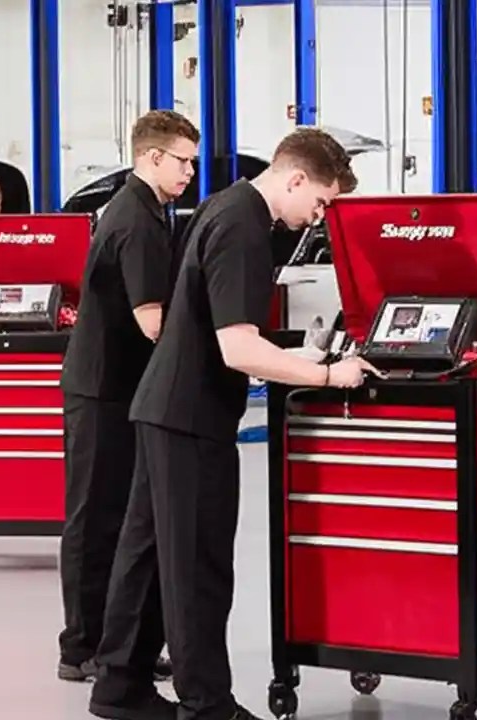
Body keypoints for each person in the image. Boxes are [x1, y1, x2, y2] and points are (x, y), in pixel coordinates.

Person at [87, 128, 377, 720]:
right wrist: (326, 377)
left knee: (144, 559)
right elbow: (238, 347)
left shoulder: (227, 205)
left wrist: (301, 357)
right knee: (197, 568)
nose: (317, 220)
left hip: (163, 407)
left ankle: (119, 688)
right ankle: (207, 704)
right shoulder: (245, 227)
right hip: (192, 415)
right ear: (296, 179)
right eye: (320, 203)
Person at [57, 110, 201, 685]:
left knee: (120, 521)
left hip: (117, 388)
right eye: (183, 160)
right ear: (150, 157)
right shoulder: (138, 220)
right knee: (95, 520)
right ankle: (81, 647)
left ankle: (116, 645)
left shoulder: (143, 209)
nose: (190, 170)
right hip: (102, 392)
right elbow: (153, 322)